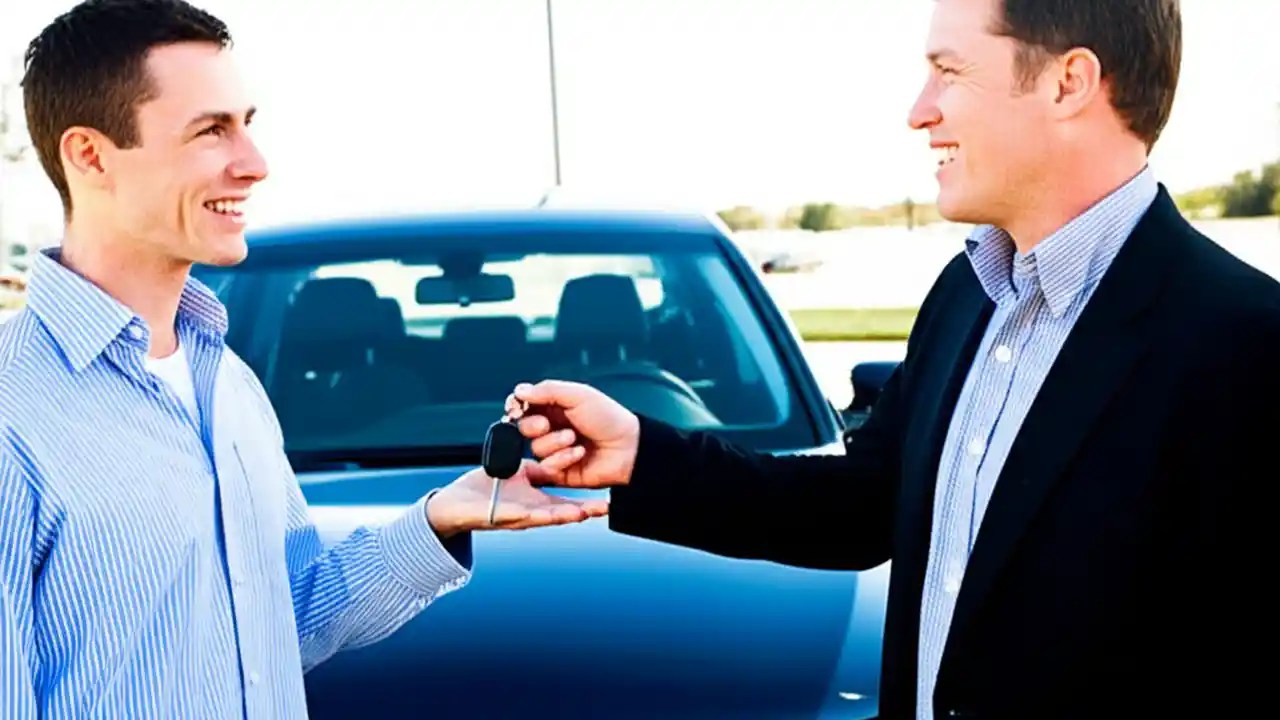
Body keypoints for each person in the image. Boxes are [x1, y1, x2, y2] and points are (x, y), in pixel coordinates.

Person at [511, 0, 1280, 718]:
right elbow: (861, 503)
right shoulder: (966, 295)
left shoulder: (1246, 343)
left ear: (1067, 83)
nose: (920, 110)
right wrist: (642, 455)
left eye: (949, 71)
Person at [0, 1, 605, 717]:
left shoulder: (227, 383)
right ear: (90, 155)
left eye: (246, 124)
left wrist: (441, 516)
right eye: (210, 131)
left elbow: (283, 619)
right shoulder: (14, 411)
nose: (254, 164)